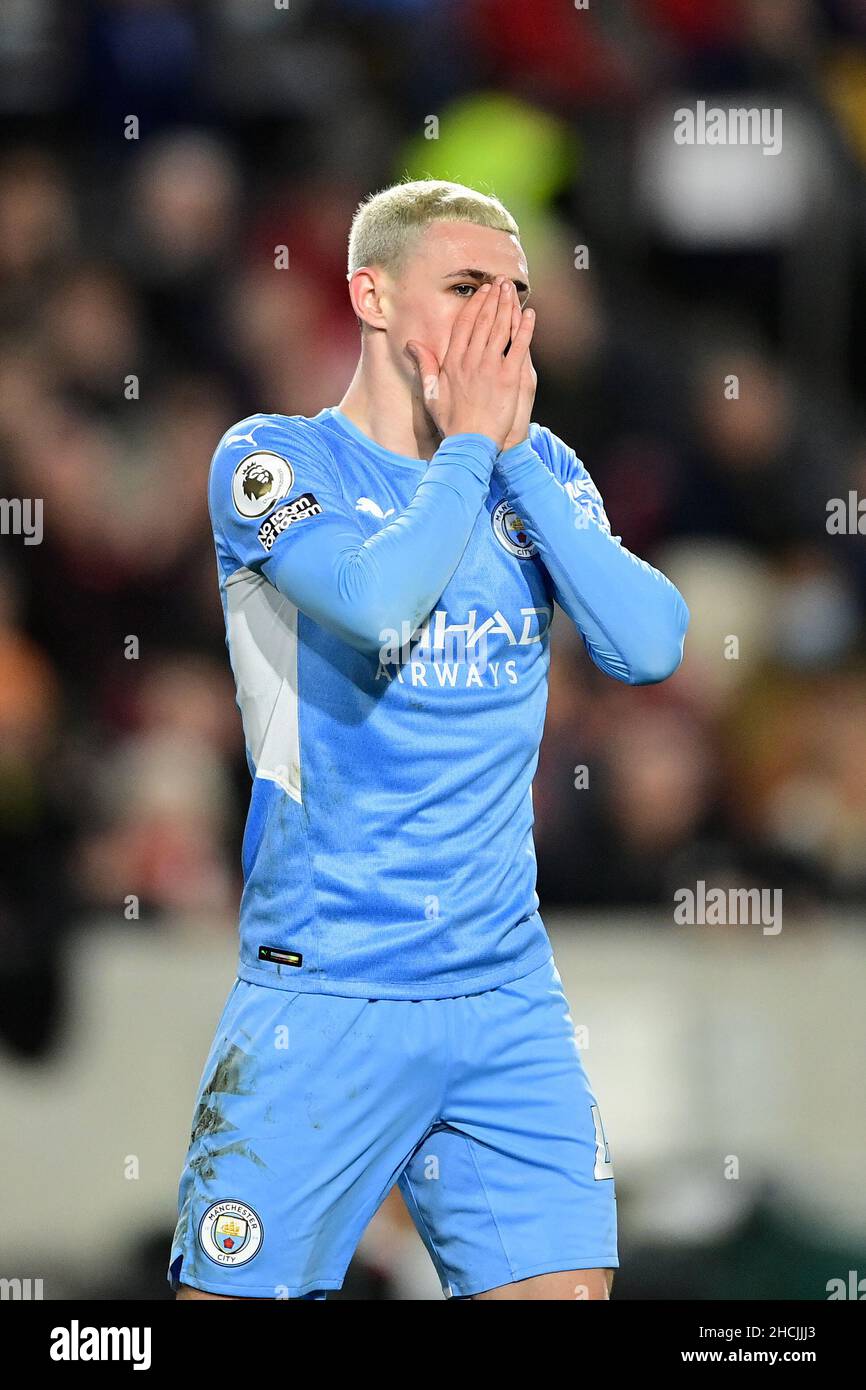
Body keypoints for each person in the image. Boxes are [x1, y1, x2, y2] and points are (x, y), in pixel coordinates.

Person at [168, 179, 689, 1301]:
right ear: (370, 294)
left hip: (502, 991)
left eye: (516, 293)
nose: (499, 317)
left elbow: (649, 643)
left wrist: (505, 457)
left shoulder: (535, 471)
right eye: (464, 286)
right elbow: (377, 602)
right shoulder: (273, 461)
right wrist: (465, 452)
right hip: (327, 991)